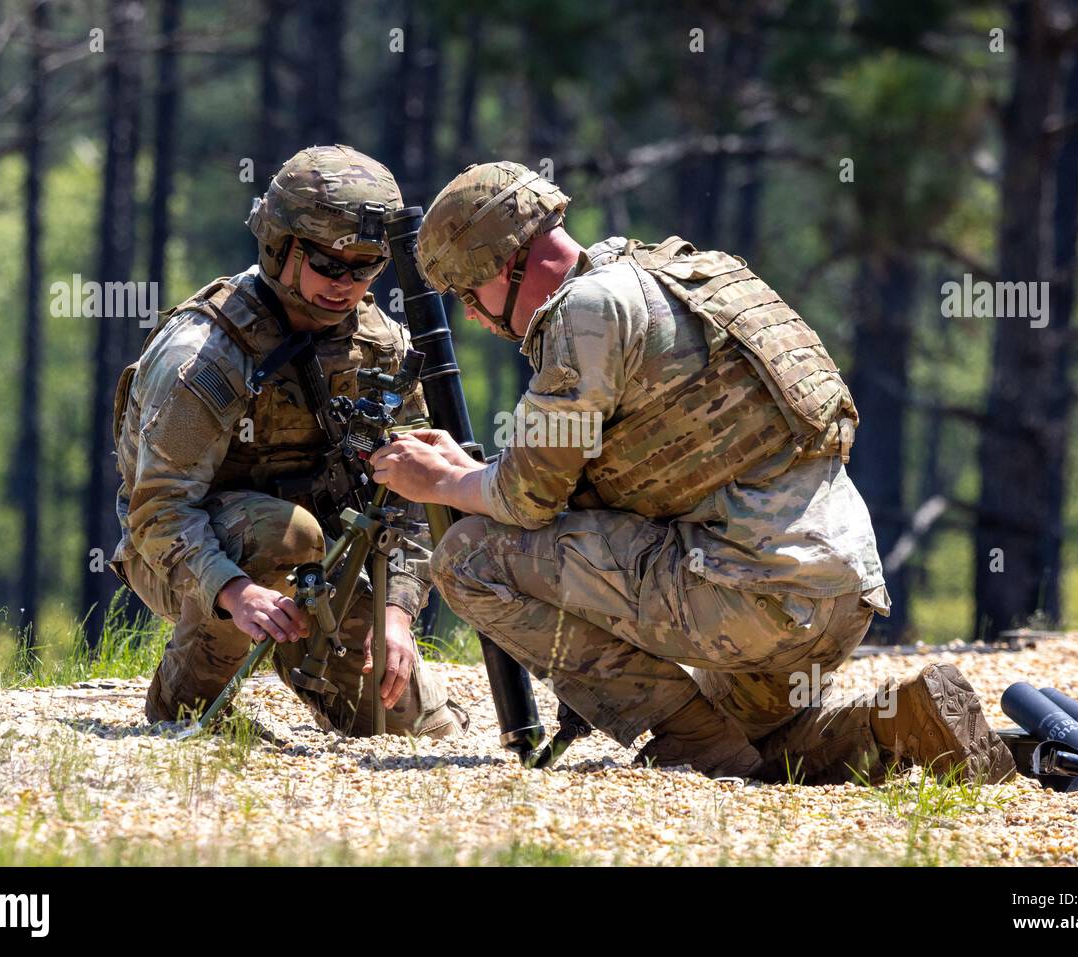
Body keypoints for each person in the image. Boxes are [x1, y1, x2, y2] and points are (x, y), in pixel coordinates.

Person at [368, 161, 1014, 783]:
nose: (475, 318)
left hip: (747, 598)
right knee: (761, 749)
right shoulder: (672, 274)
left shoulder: (586, 310)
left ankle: (690, 748)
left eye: (470, 294)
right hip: (837, 592)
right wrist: (466, 471)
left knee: (469, 557)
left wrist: (440, 483)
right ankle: (902, 729)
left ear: (509, 264)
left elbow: (528, 498)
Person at [110, 145, 465, 738]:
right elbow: (159, 509)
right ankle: (185, 703)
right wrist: (234, 591)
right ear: (280, 246)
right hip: (186, 556)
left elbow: (414, 492)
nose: (345, 284)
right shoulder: (206, 355)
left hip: (328, 562)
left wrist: (398, 611)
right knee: (283, 534)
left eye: (366, 267)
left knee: (415, 728)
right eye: (329, 263)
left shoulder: (382, 345)